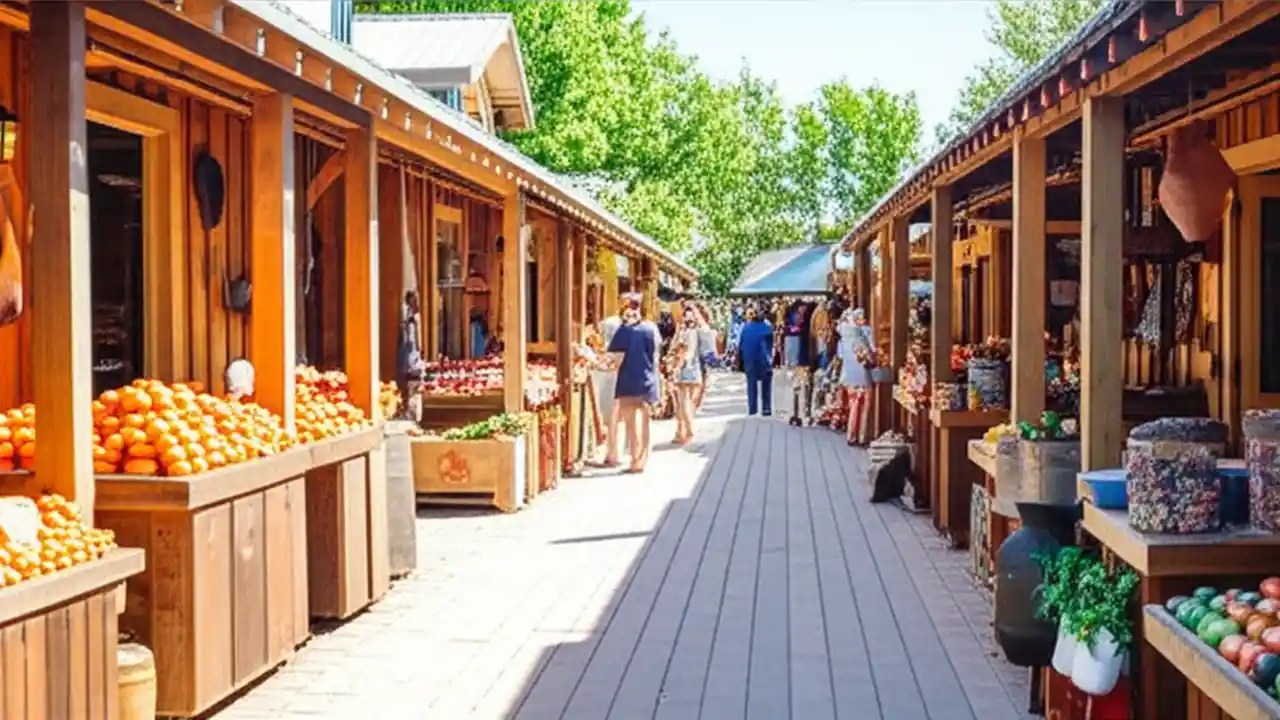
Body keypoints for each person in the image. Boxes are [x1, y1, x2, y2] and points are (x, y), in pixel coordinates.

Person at [606, 293, 659, 472]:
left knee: (631, 424)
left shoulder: (622, 331)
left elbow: (616, 358)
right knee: (645, 422)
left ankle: (634, 459)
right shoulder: (649, 329)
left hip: (627, 381)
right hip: (647, 380)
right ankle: (643, 459)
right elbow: (653, 355)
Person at [838, 307, 874, 446]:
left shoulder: (843, 337)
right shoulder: (861, 337)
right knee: (864, 405)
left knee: (853, 404)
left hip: (848, 375)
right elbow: (869, 355)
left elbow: (840, 355)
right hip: (861, 376)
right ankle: (861, 436)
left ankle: (851, 434)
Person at [672, 306, 703, 443]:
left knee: (682, 401)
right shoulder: (696, 332)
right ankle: (681, 431)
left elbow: (683, 352)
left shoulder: (685, 333)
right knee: (688, 401)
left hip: (685, 367)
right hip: (695, 367)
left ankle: (688, 430)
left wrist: (676, 368)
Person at [738, 303, 774, 416]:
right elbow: (771, 344)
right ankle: (766, 408)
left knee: (751, 384)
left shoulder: (746, 327)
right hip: (764, 360)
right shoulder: (768, 327)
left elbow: (741, 344)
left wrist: (741, 359)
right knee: (766, 384)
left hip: (749, 359)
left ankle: (752, 409)